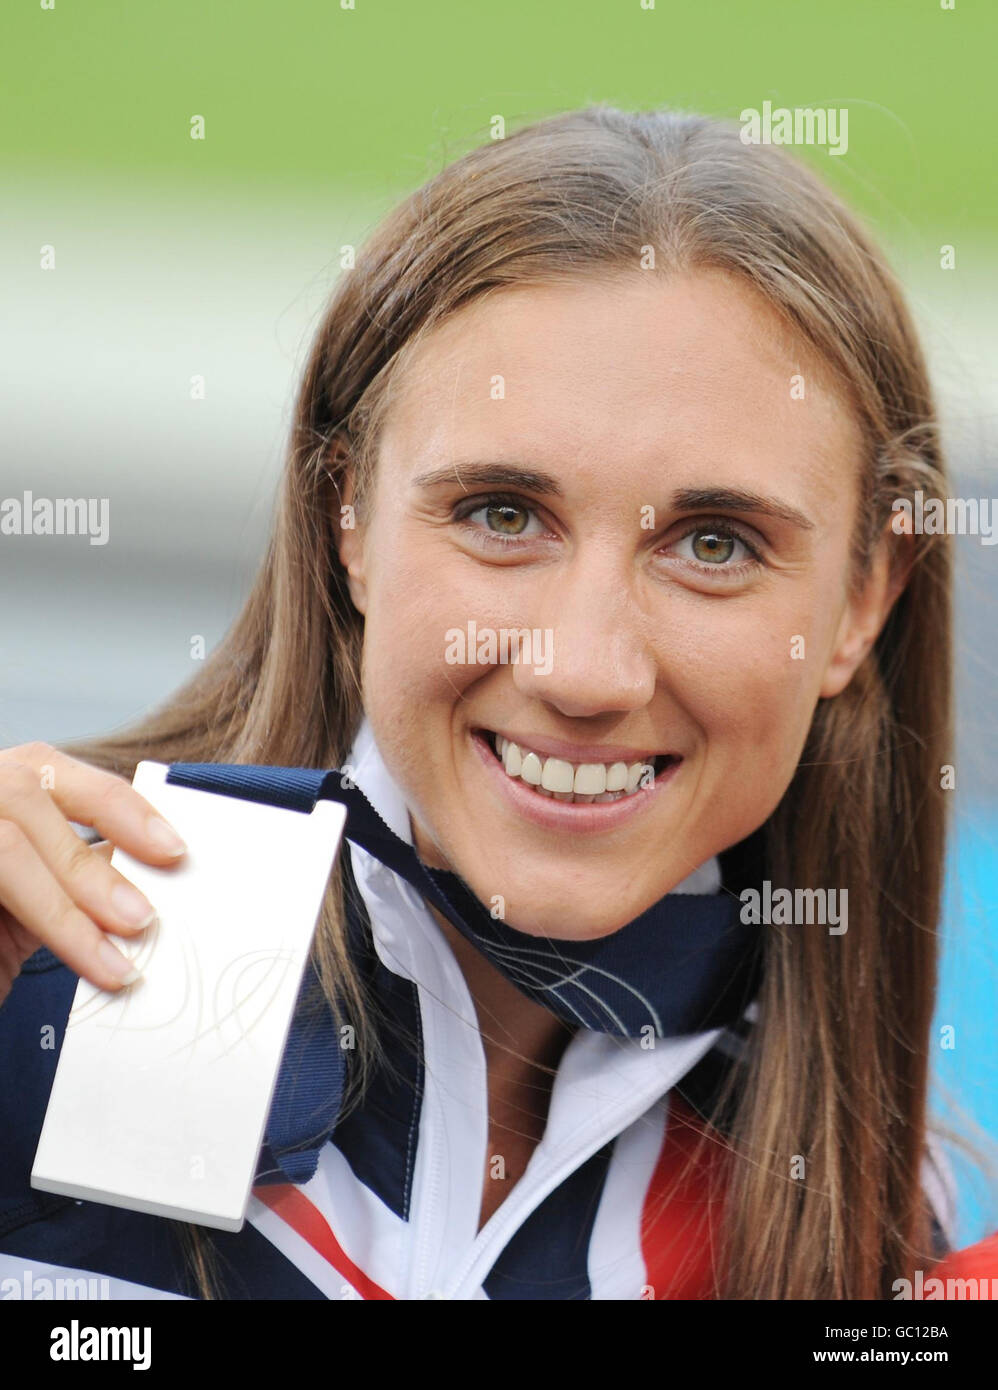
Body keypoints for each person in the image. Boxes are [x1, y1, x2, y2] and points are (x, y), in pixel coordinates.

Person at [0, 104, 994, 1301]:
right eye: (502, 515)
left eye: (714, 542)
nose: (583, 670)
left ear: (860, 601)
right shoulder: (32, 981)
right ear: (344, 518)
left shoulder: (867, 1235)